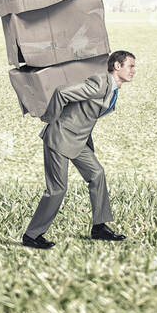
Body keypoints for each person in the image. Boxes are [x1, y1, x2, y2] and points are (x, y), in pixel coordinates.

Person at [21, 50, 137, 248]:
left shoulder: (113, 89)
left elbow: (86, 115)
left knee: (97, 174)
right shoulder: (101, 83)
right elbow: (62, 92)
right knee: (58, 189)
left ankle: (99, 227)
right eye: (131, 66)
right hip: (60, 136)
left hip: (77, 140)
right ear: (117, 66)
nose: (134, 70)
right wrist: (50, 117)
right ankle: (32, 235)